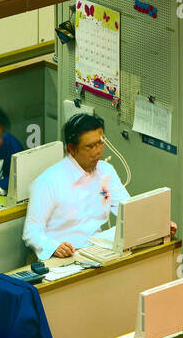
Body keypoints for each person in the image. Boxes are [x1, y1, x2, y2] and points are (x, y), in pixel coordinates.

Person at [23, 112, 129, 262]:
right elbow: (31, 233)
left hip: (96, 249)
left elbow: (127, 210)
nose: (98, 151)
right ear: (71, 149)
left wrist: (156, 225)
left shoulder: (106, 170)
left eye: (100, 142)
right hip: (62, 255)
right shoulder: (48, 182)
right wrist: (54, 247)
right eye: (90, 146)